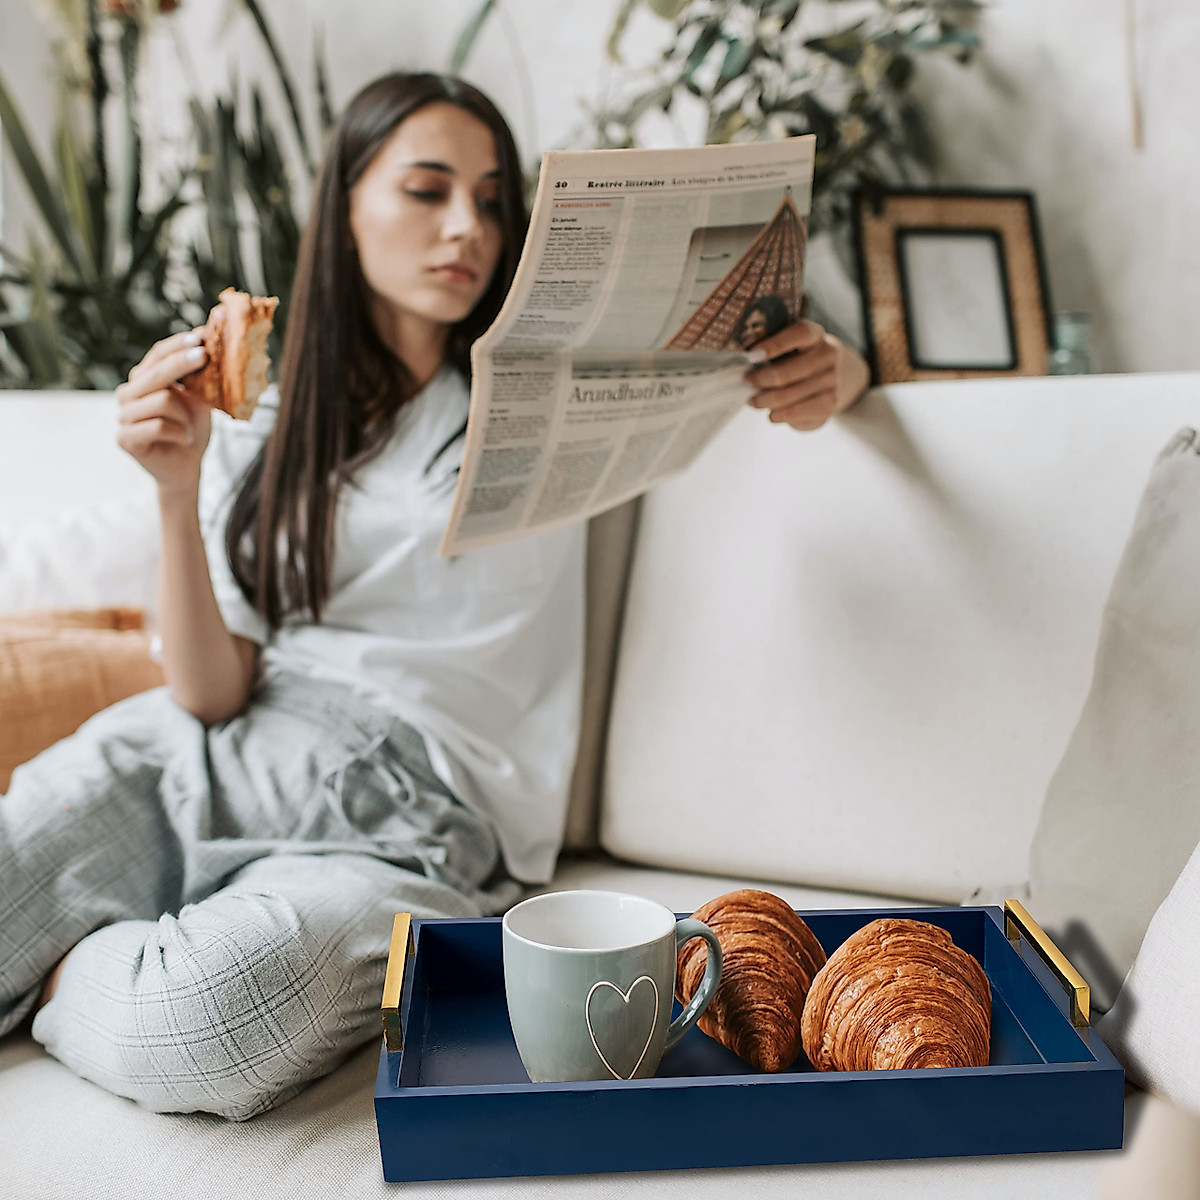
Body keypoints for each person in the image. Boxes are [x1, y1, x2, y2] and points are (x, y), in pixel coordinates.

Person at [0, 72, 870, 1121]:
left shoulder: (561, 396)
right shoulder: (262, 419)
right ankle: (95, 940)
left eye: (493, 198)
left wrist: (841, 375)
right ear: (348, 208)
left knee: (211, 1021)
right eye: (426, 189)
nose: (467, 226)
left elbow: (799, 381)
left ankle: (62, 974)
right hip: (208, 751)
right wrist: (176, 492)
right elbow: (208, 693)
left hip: (420, 822)